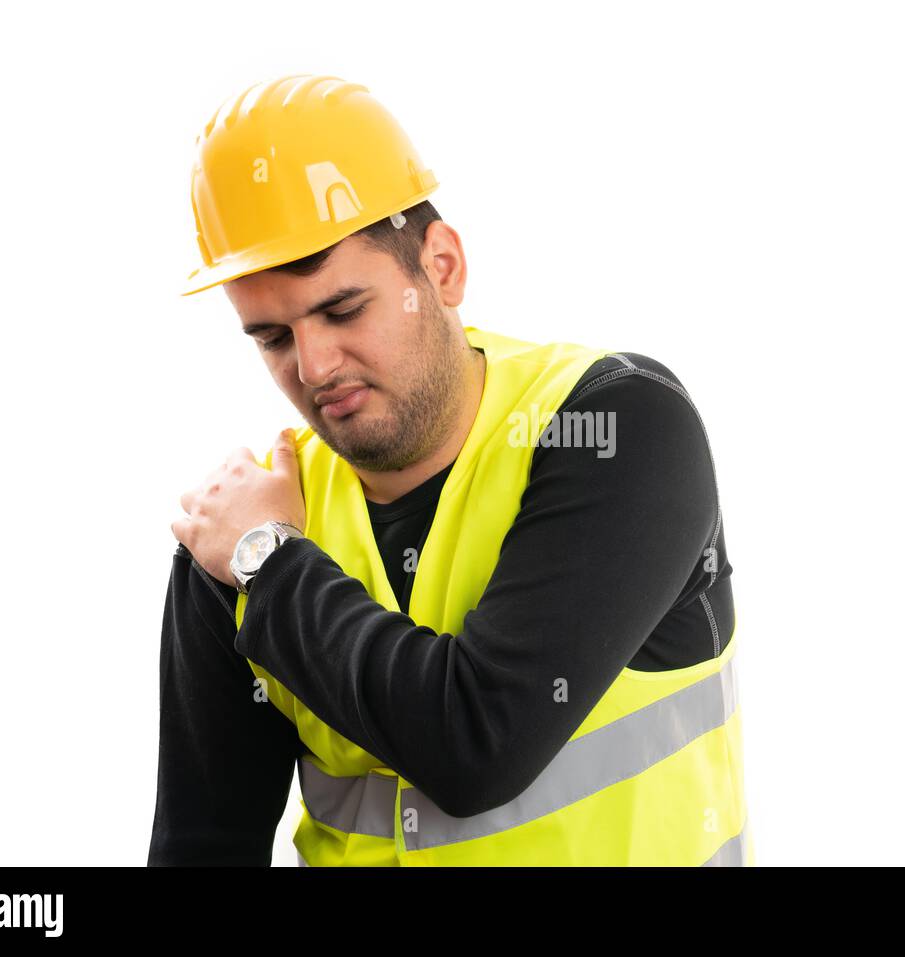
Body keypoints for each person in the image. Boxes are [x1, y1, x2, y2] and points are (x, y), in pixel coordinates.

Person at [149, 74, 750, 866]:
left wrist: (268, 557)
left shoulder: (613, 427)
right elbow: (202, 846)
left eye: (342, 309)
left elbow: (480, 742)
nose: (315, 365)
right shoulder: (241, 533)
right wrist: (257, 550)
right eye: (272, 337)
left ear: (442, 267)